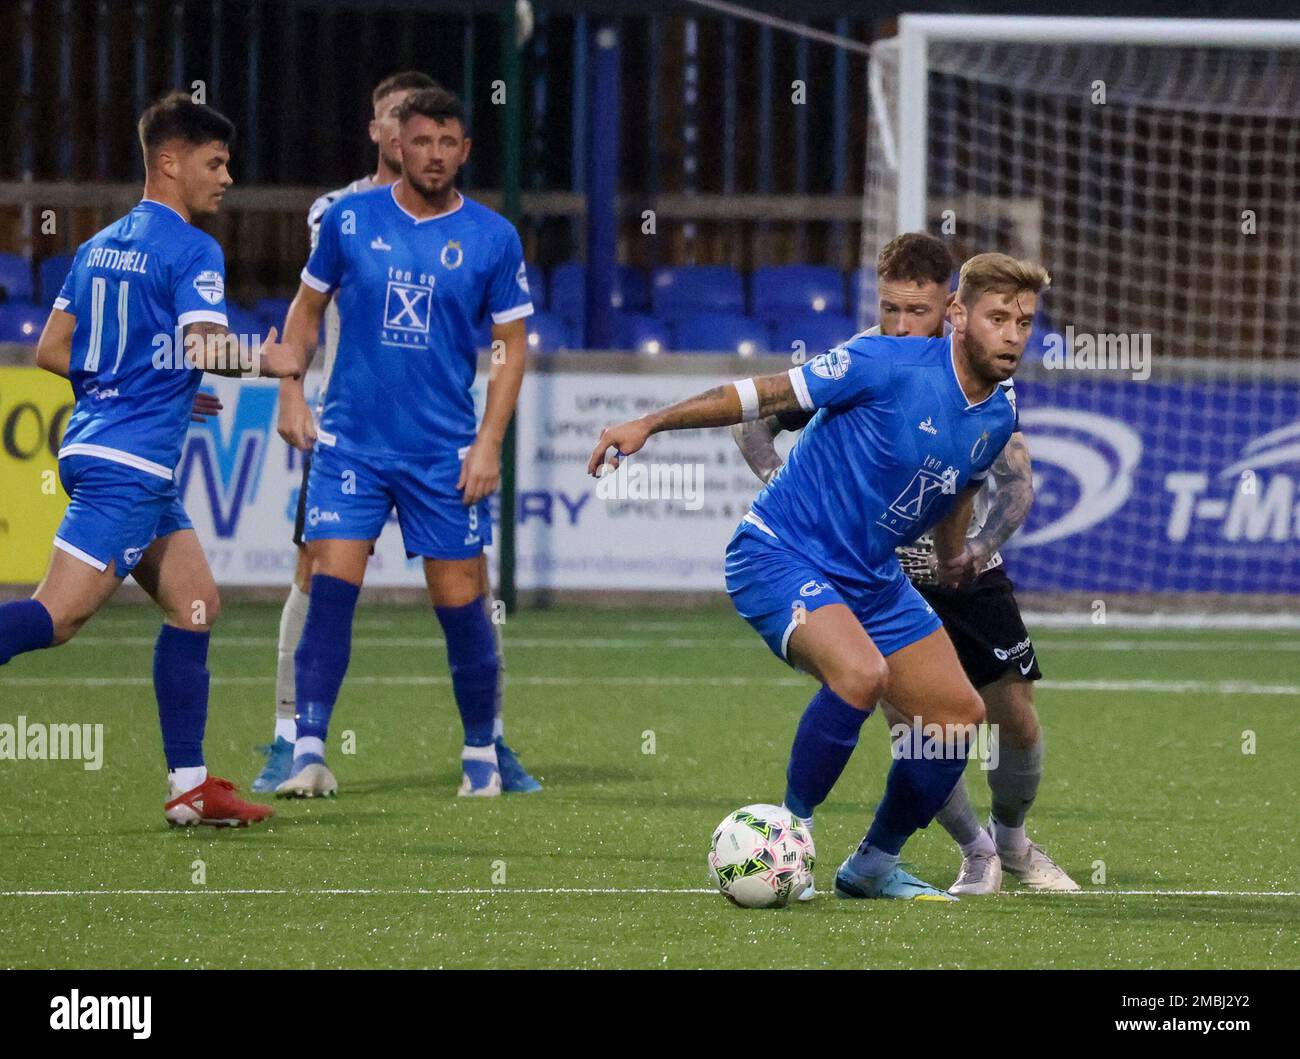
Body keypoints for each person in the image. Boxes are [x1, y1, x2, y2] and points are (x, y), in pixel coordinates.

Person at [589, 253, 1048, 899]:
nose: (1012, 334)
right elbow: (760, 396)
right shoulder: (884, 361)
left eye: (1024, 321)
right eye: (998, 317)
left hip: (871, 575)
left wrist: (953, 555)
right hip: (778, 553)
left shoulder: (997, 412)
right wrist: (651, 422)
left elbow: (961, 487)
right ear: (958, 314)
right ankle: (791, 842)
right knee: (862, 675)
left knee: (956, 714)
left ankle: (872, 865)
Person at [733, 233, 1076, 895]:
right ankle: (960, 851)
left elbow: (1014, 479)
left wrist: (969, 550)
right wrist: (793, 491)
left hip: (955, 565)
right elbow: (753, 420)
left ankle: (1012, 842)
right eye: (888, 309)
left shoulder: (977, 383)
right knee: (912, 716)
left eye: (913, 312)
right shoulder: (871, 362)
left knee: (1015, 713)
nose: (899, 325)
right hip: (865, 566)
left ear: (948, 309)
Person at [0, 92, 298, 826]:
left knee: (196, 601)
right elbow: (204, 346)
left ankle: (190, 786)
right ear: (169, 162)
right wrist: (269, 357)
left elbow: (52, 349)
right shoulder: (194, 248)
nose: (226, 177)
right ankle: (188, 784)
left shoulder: (98, 245)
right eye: (215, 162)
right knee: (59, 617)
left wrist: (153, 384)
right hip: (129, 464)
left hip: (116, 452)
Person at [272, 86, 534, 799]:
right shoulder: (348, 220)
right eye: (422, 141)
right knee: (330, 590)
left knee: (460, 603)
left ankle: (482, 752)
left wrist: (489, 444)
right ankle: (309, 751)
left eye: (449, 143)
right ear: (396, 141)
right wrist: (291, 393)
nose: (435, 155)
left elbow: (512, 347)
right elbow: (304, 311)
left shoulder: (491, 236)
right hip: (350, 443)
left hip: (441, 454)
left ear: (465, 150)